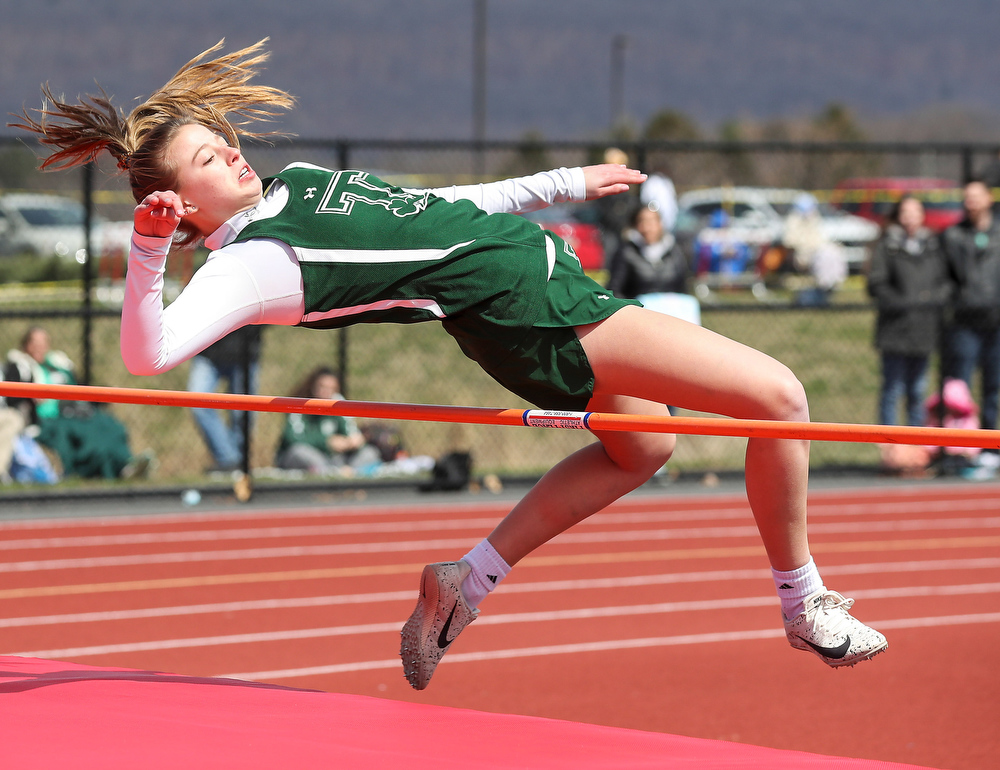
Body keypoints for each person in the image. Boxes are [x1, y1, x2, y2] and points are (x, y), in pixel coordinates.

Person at [13, 39, 887, 691]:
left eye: (222, 140)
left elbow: (437, 207)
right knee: (779, 396)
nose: (231, 153)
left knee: (644, 447)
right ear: (188, 205)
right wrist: (148, 250)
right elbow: (149, 352)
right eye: (208, 159)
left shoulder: (303, 184)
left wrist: (560, 183)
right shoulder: (250, 261)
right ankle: (802, 601)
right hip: (530, 313)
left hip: (538, 282)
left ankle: (466, 579)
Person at [3, 326, 153, 480]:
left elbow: (81, 387)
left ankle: (125, 465)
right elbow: (14, 398)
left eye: (43, 343)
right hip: (51, 418)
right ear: (26, 345)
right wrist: (31, 399)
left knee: (109, 425)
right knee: (85, 434)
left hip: (77, 410)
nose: (39, 347)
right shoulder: (20, 367)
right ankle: (104, 469)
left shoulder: (59, 364)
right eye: (34, 343)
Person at [866, 195, 950, 429]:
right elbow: (876, 284)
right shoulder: (888, 246)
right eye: (905, 212)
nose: (910, 218)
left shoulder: (932, 246)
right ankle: (889, 445)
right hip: (895, 329)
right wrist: (902, 302)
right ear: (898, 216)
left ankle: (917, 445)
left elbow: (945, 282)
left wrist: (932, 300)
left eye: (916, 212)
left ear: (923, 215)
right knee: (892, 389)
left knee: (917, 390)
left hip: (924, 328)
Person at [941, 178, 1000, 478]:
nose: (971, 202)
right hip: (964, 322)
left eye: (976, 196)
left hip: (996, 323)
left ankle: (990, 449)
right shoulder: (953, 235)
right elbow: (944, 276)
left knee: (993, 389)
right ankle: (960, 450)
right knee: (958, 392)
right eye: (966, 197)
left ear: (989, 198)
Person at [275, 366, 380, 476]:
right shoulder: (300, 403)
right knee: (299, 452)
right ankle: (330, 474)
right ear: (313, 386)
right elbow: (293, 438)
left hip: (336, 458)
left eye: (331, 388)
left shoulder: (338, 403)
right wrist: (326, 442)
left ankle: (347, 474)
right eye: (322, 387)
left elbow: (350, 431)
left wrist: (350, 442)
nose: (326, 392)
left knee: (370, 453)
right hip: (313, 456)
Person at [188, 325, 261, 473]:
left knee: (242, 413)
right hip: (207, 351)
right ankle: (230, 460)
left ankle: (238, 463)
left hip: (245, 352)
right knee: (197, 402)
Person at [607, 204, 689, 300]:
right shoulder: (627, 253)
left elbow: (683, 287)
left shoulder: (674, 252)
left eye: (651, 222)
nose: (647, 228)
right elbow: (615, 290)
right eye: (642, 222)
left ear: (660, 224)